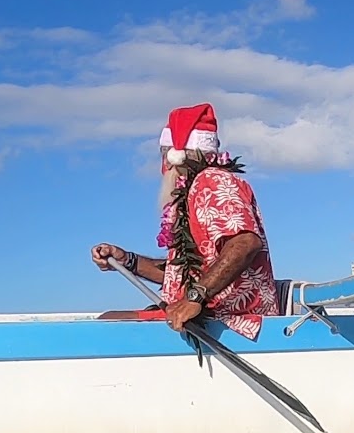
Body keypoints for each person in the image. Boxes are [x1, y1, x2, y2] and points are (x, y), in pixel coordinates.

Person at [91, 103, 280, 340]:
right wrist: (127, 260)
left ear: (174, 156)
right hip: (205, 314)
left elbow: (245, 242)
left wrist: (195, 298)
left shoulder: (212, 181)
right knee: (110, 319)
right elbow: (181, 275)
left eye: (163, 154)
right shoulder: (192, 192)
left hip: (231, 320)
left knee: (107, 325)